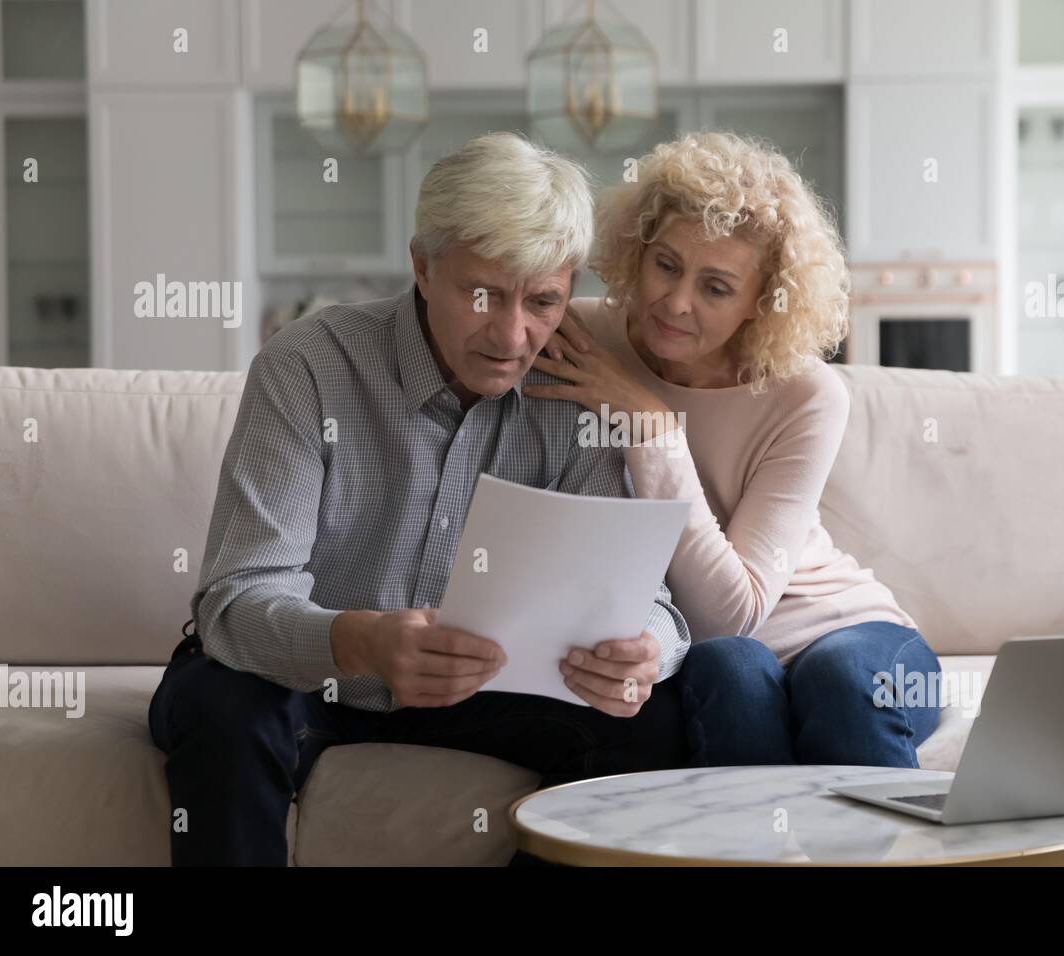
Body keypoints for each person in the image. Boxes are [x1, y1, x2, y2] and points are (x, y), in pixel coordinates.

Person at [147, 132, 691, 866]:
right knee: (222, 704)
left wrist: (646, 653)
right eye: (483, 295)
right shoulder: (309, 367)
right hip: (314, 680)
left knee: (655, 728)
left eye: (543, 301)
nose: (512, 333)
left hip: (486, 690)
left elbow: (650, 601)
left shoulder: (577, 393)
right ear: (421, 266)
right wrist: (362, 641)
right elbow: (235, 601)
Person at [524, 131, 942, 769]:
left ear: (762, 302)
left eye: (716, 288)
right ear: (637, 250)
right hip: (709, 646)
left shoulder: (805, 395)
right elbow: (716, 638)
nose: (675, 301)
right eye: (665, 264)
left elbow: (733, 612)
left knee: (835, 681)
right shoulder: (581, 338)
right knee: (729, 671)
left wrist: (654, 428)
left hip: (847, 631)